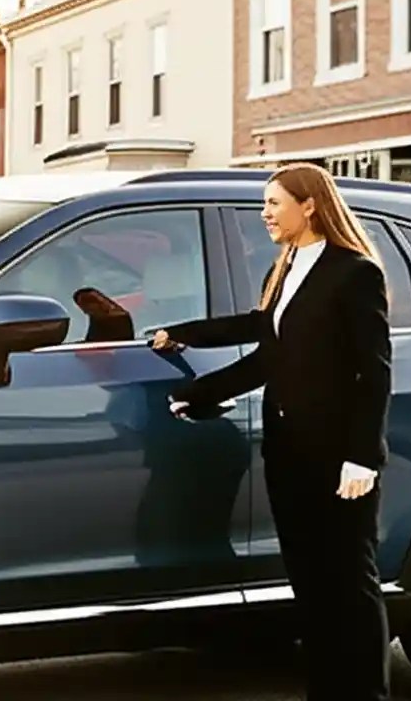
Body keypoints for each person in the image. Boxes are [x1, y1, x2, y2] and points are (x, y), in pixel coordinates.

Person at [151, 162, 391, 701]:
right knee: (310, 586)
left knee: (351, 586)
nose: (264, 214)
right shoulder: (283, 267)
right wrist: (185, 356)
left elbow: (374, 371)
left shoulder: (354, 273)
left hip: (338, 461)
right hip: (289, 455)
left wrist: (363, 458)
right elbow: (265, 349)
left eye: (273, 204)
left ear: (309, 206)